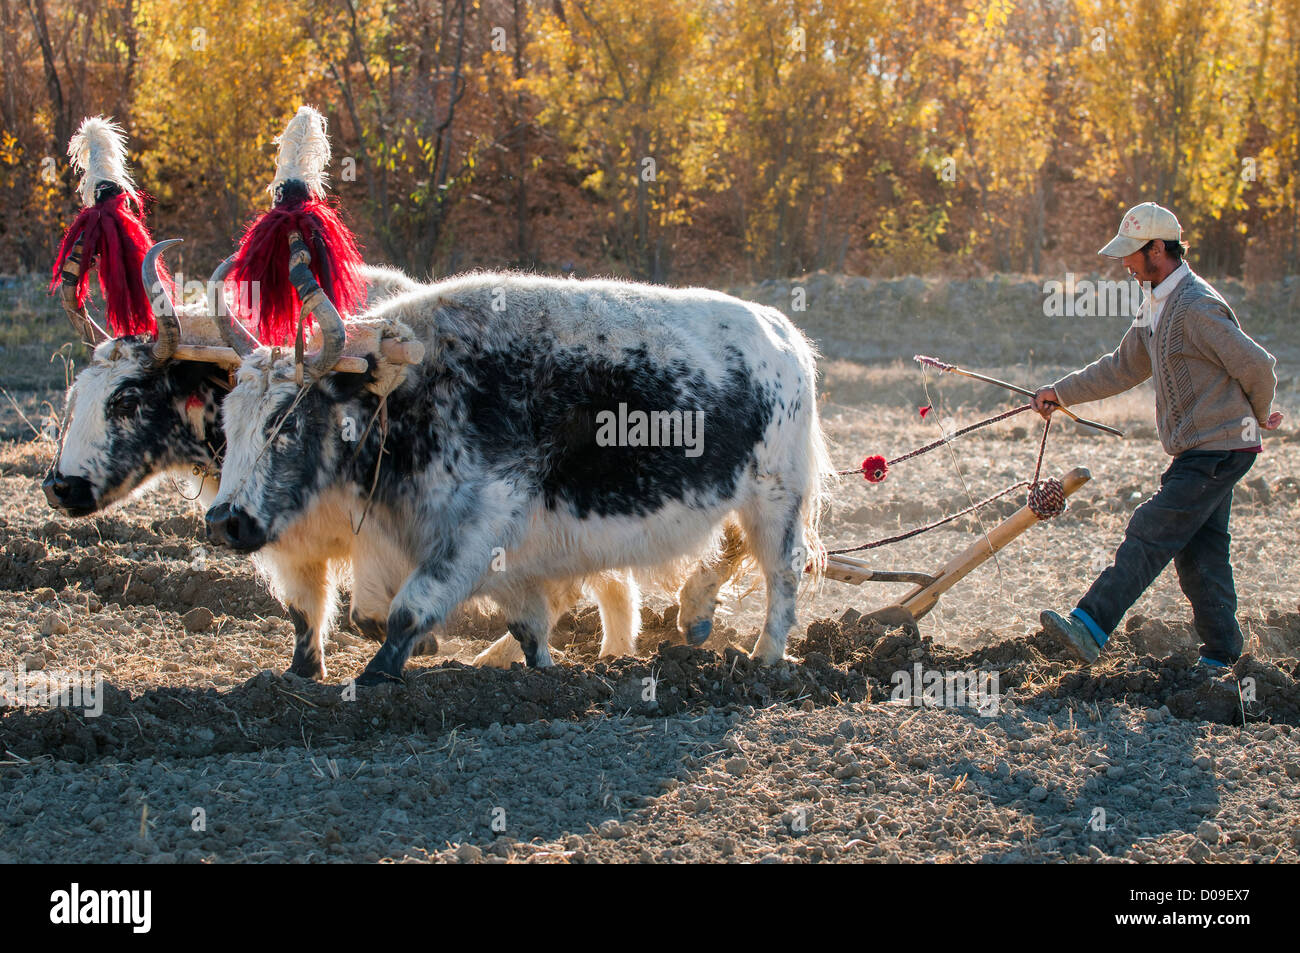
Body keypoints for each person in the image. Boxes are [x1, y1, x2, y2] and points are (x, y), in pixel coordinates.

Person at [1034, 202, 1282, 670]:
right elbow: (1122, 366)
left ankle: (1090, 625)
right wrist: (1060, 392)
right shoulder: (1156, 304)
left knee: (1152, 527)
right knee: (1201, 554)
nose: (1125, 264)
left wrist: (1260, 414)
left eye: (1131, 254)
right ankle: (1223, 657)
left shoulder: (1196, 305)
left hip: (1220, 447)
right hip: (1204, 447)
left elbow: (1258, 366)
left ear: (1157, 249)